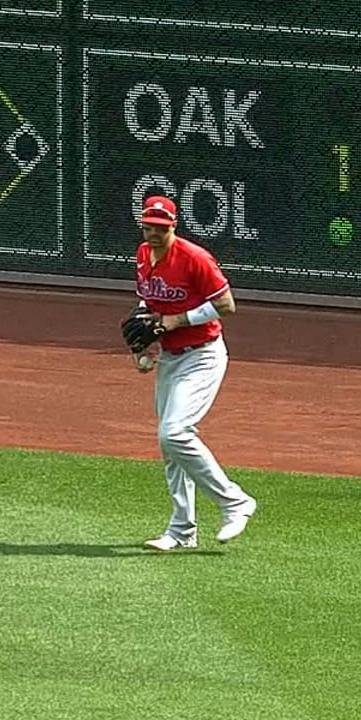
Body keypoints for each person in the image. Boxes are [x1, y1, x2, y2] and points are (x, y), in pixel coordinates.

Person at [129, 194, 256, 551]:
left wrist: (176, 320)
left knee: (174, 433)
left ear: (173, 226)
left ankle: (235, 501)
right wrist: (142, 344)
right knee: (170, 448)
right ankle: (182, 529)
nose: (153, 233)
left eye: (160, 228)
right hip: (170, 357)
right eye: (148, 226)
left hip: (202, 356)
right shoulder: (142, 256)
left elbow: (225, 305)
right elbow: (148, 305)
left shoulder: (194, 258)